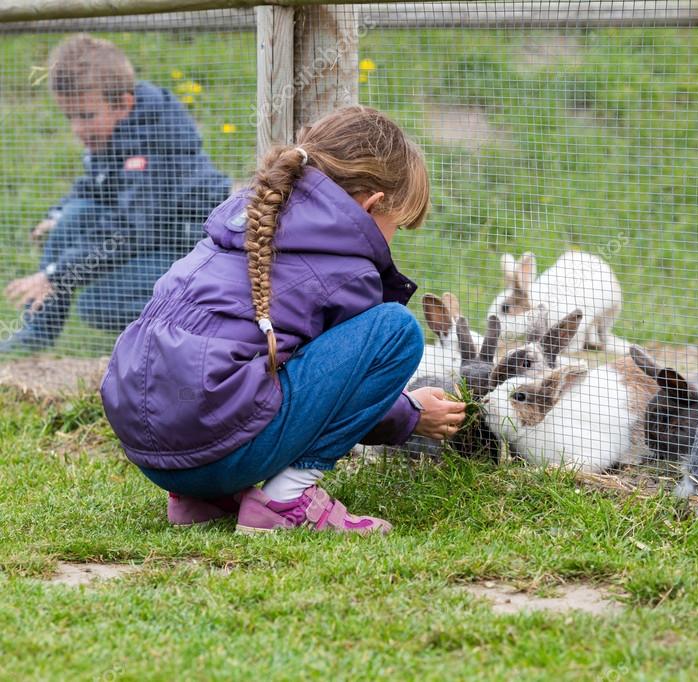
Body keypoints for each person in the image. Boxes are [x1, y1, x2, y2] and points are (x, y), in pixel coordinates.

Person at [100, 106, 466, 535]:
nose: (391, 239)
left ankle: (199, 498)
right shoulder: (346, 268)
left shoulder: (246, 220)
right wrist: (409, 413)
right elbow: (338, 394)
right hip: (213, 450)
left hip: (153, 451)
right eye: (396, 226)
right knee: (396, 332)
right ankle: (287, 499)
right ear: (373, 205)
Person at [1, 34, 230, 354]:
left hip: (190, 252)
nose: (78, 129)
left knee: (97, 304)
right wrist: (56, 215)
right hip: (151, 239)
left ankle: (195, 331)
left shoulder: (152, 140)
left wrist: (56, 272)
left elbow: (130, 231)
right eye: (71, 117)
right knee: (74, 213)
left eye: (86, 116)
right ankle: (38, 333)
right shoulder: (114, 131)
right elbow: (95, 187)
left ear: (123, 103)